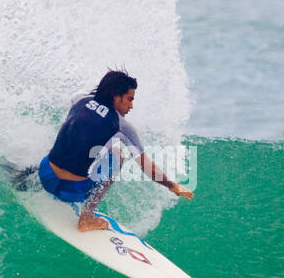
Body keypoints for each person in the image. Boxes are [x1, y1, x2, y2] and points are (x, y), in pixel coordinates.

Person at [39, 70, 193, 231]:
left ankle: (32, 175)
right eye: (129, 99)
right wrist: (171, 185)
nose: (131, 106)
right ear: (115, 96)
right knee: (117, 154)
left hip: (45, 176)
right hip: (71, 191)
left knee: (72, 131)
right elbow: (147, 167)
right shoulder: (121, 126)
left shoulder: (80, 99)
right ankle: (86, 218)